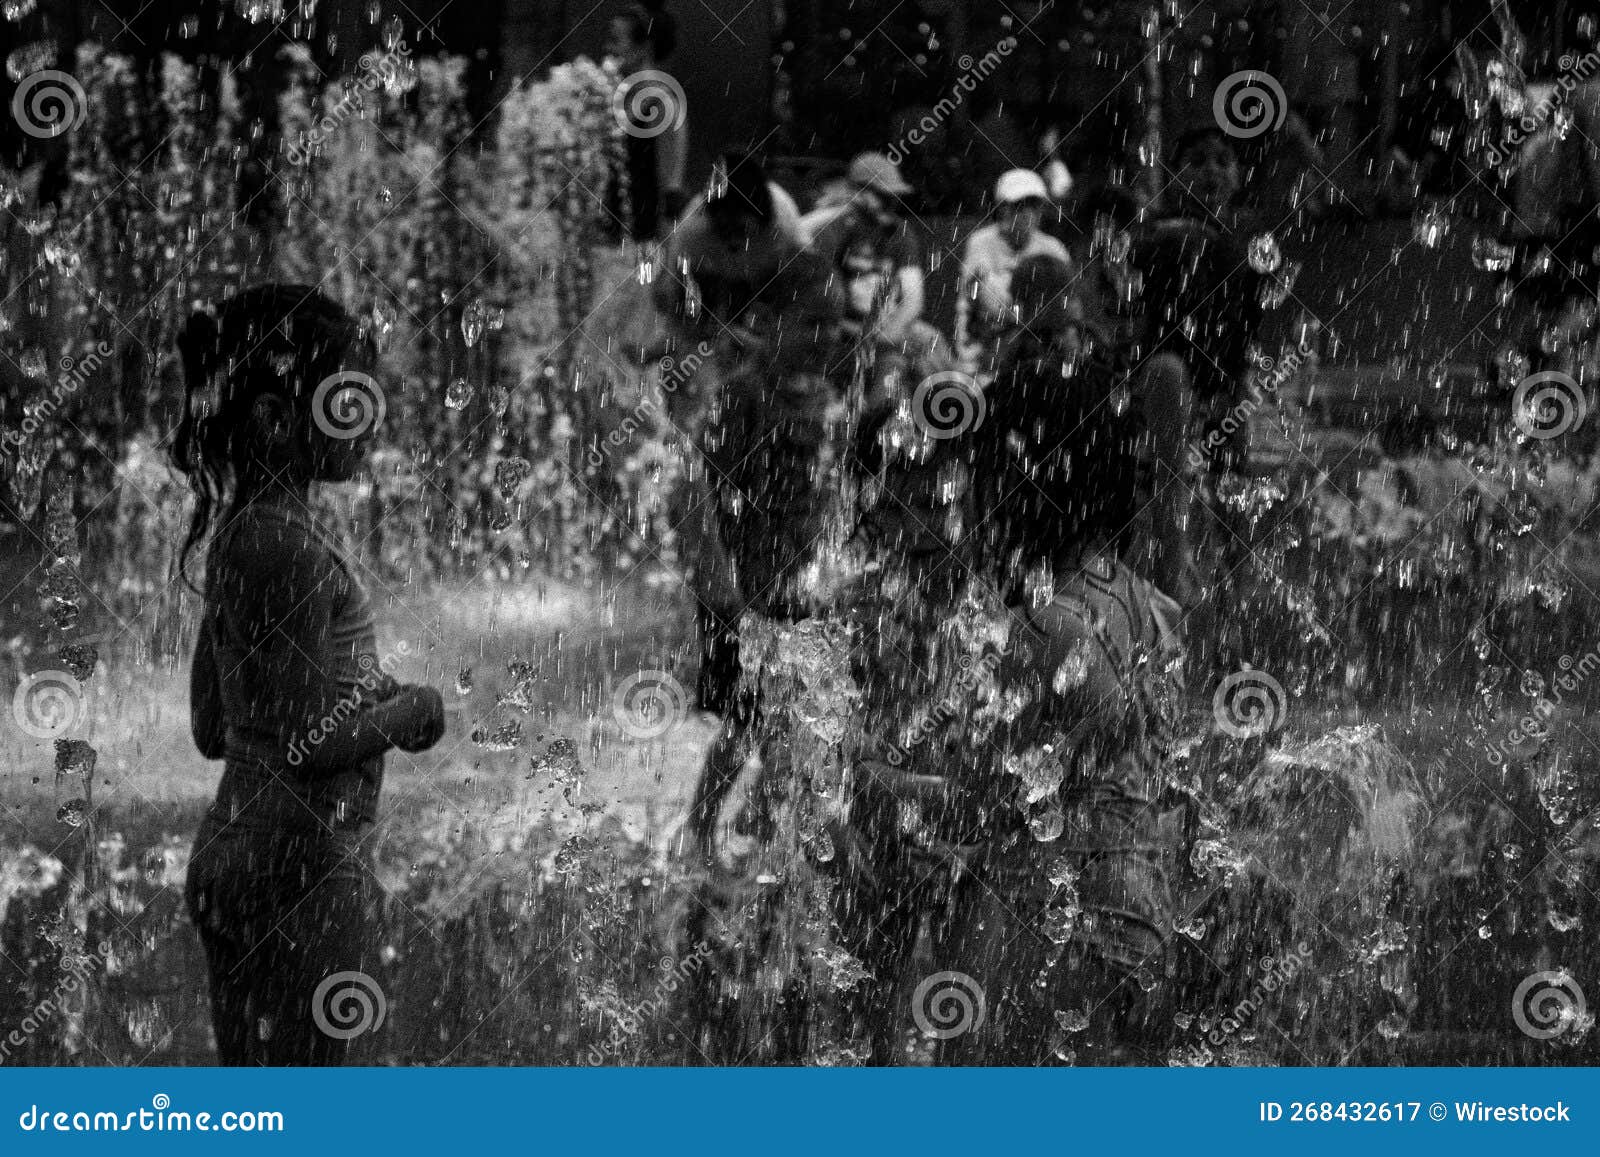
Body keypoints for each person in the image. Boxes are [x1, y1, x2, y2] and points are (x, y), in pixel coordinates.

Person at [173, 285, 446, 1065]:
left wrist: (357, 696)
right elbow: (303, 742)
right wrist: (413, 709)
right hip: (301, 867)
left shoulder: (243, 537)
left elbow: (215, 727)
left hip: (238, 855)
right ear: (273, 417)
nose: (372, 414)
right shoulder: (287, 550)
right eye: (347, 396)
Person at [928, 254, 1185, 1064]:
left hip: (1047, 946)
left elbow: (966, 807)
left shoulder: (1042, 633)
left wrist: (859, 773)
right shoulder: (1146, 601)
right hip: (1144, 921)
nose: (966, 502)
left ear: (1011, 484)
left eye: (978, 478)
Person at [1129, 127, 1266, 605]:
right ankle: (1174, 565)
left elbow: (1248, 320)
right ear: (1175, 176)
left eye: (1223, 161)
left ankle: (1238, 570)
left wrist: (1242, 378)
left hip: (1219, 371)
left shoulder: (1247, 239)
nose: (1211, 170)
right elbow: (1130, 305)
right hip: (1162, 370)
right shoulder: (1159, 230)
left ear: (1240, 175)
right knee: (1169, 382)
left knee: (1236, 453)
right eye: (1198, 161)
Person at [955, 168, 1073, 378]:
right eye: (1020, 206)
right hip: (987, 350)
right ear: (1003, 210)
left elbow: (1067, 308)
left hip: (1044, 351)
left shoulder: (1053, 248)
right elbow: (982, 303)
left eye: (1034, 206)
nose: (1027, 213)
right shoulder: (980, 243)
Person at [804, 152, 926, 344]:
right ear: (858, 192)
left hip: (886, 329)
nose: (891, 204)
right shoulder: (834, 230)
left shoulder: (899, 231)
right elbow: (820, 302)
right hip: (839, 331)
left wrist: (886, 337)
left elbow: (914, 300)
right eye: (883, 196)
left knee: (929, 339)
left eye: (894, 196)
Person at [605, 3, 688, 238]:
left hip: (645, 240)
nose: (607, 49)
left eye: (615, 40)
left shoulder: (662, 103)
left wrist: (663, 262)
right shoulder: (612, 97)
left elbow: (671, 190)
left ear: (644, 48)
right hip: (612, 235)